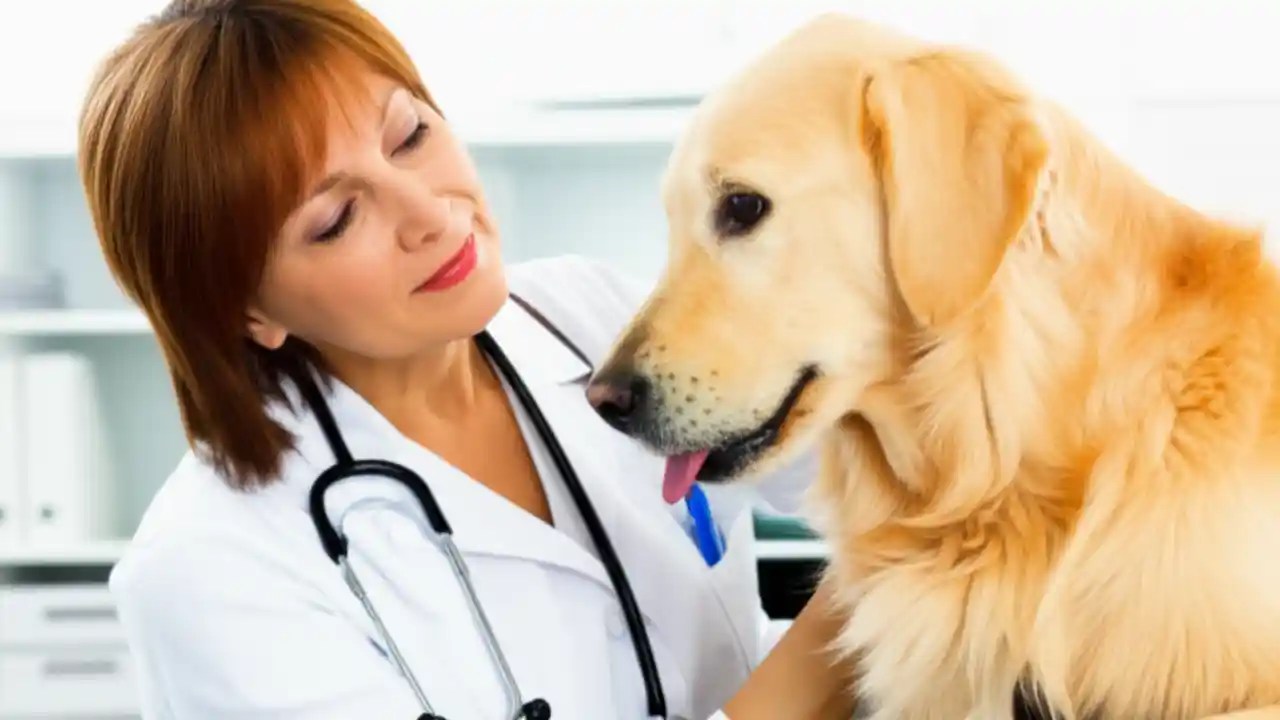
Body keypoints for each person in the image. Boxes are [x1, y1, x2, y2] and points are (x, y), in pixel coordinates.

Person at [77, 1, 857, 718]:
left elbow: (886, 463)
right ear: (245, 310)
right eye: (337, 218)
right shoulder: (209, 571)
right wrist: (865, 599)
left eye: (411, 136)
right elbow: (912, 533)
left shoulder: (593, 318)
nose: (429, 211)